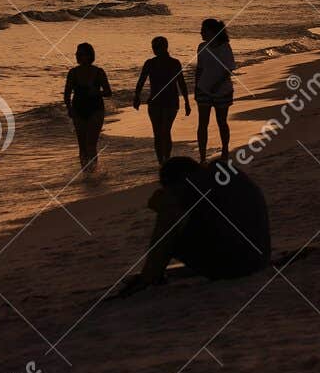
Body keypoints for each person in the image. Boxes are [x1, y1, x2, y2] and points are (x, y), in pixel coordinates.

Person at [116, 157, 271, 295]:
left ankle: (149, 276)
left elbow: (169, 207)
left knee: (169, 213)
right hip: (260, 258)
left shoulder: (198, 184)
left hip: (238, 265)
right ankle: (151, 274)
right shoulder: (219, 174)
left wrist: (164, 204)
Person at [133, 36, 190, 166]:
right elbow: (141, 81)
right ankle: (161, 162)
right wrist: (136, 96)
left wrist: (187, 102)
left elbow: (181, 83)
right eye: (154, 47)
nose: (155, 49)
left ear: (165, 47)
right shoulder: (150, 63)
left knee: (164, 131)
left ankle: (166, 160)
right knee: (158, 133)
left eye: (157, 47)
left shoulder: (174, 63)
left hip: (169, 102)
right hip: (156, 102)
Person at [63, 42, 111, 175]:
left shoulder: (99, 72)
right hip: (78, 110)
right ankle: (86, 173)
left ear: (88, 56)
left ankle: (93, 172)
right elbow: (66, 94)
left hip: (96, 109)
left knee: (91, 144)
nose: (77, 56)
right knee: (82, 146)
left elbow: (108, 92)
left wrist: (97, 92)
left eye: (80, 54)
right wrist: (69, 108)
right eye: (77, 53)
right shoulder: (73, 73)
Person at [194, 17, 235, 164]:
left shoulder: (225, 47)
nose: (201, 33)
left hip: (222, 90)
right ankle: (202, 156)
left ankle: (225, 150)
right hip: (203, 89)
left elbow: (229, 69)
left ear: (211, 31)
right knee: (202, 123)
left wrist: (217, 85)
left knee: (221, 122)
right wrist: (196, 87)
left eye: (203, 30)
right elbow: (199, 69)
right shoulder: (201, 47)